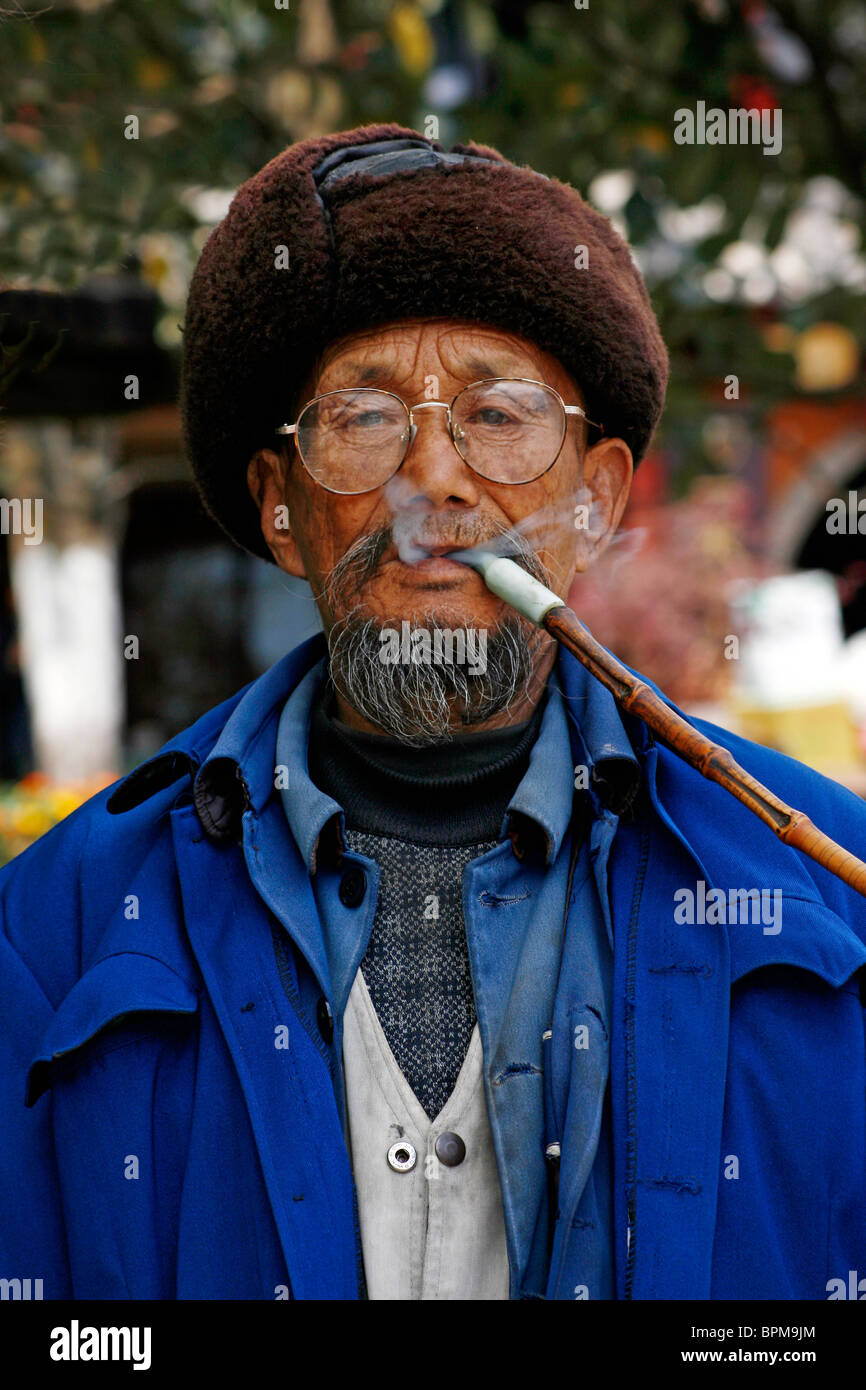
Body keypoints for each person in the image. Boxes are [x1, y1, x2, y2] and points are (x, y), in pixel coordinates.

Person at [2, 123, 865, 1302]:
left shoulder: (825, 890)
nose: (432, 479)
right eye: (362, 418)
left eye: (498, 415)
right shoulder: (56, 922)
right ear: (280, 507)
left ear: (595, 502)